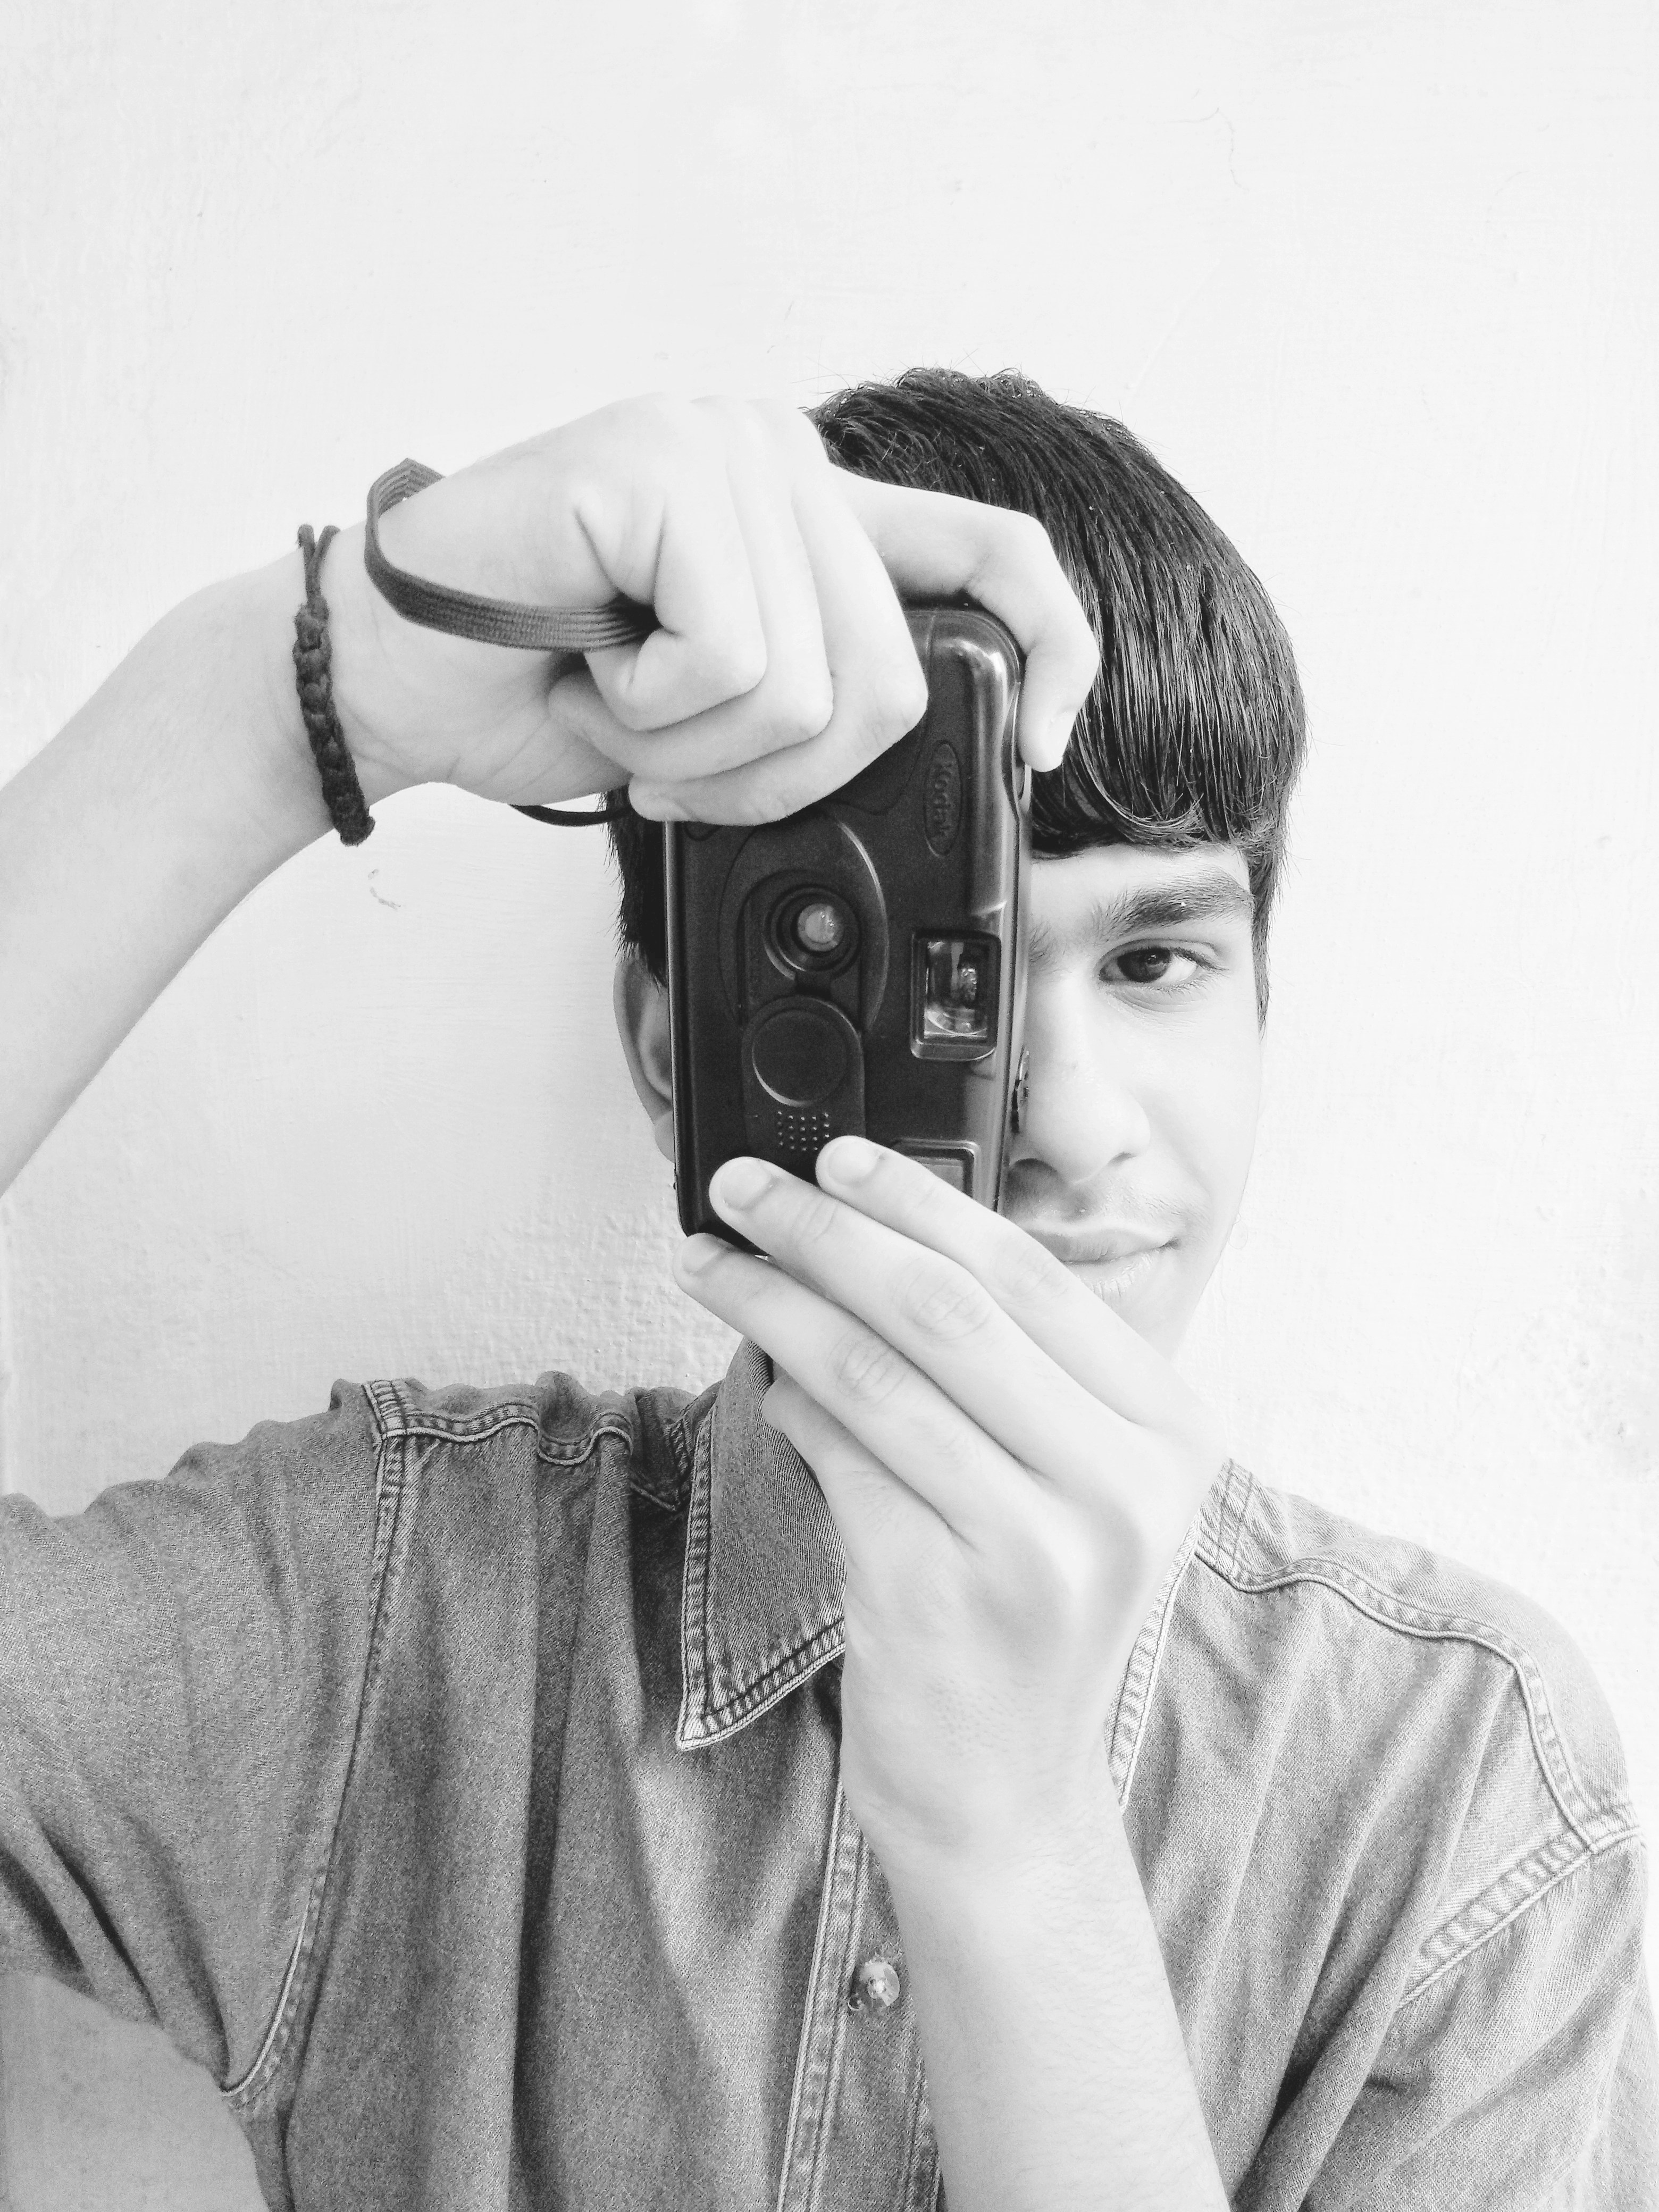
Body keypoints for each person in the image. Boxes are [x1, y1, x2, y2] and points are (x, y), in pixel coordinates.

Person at [0, 373, 1649, 2212]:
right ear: (669, 1060)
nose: (1064, 1124)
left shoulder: (1461, 1799)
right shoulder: (381, 1622)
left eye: (1162, 956)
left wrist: (1019, 1852)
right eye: (945, 978)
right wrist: (286, 688)